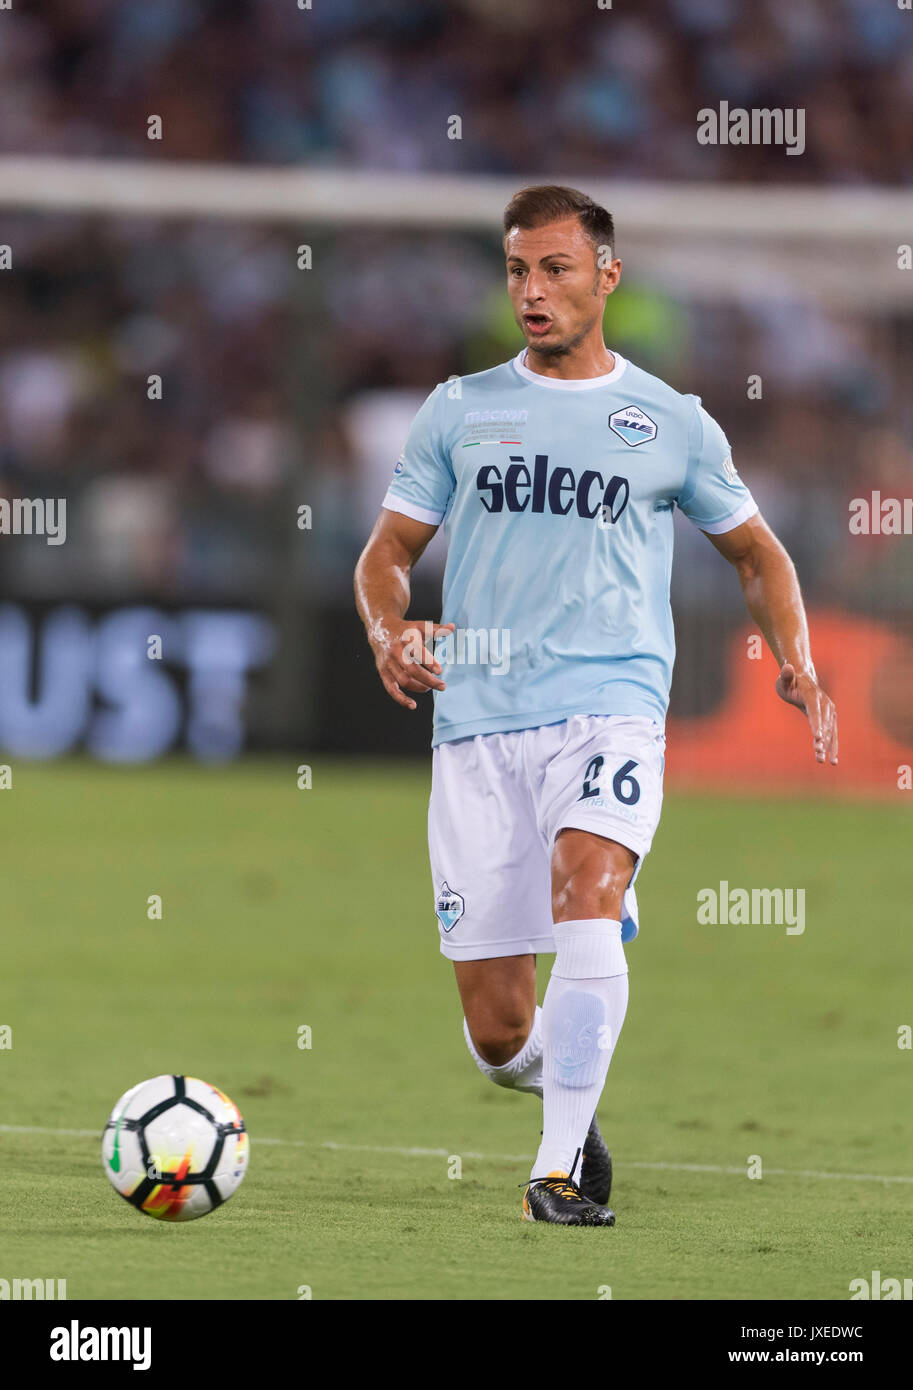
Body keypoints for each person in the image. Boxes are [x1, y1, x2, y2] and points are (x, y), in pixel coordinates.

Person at [354, 185, 838, 1226]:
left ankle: (557, 1169)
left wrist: (792, 655)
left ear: (606, 276)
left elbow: (757, 553)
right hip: (478, 721)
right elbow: (388, 553)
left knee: (589, 886)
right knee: (495, 1035)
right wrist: (388, 626)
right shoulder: (460, 409)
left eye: (556, 269)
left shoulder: (669, 422)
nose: (532, 290)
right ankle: (566, 1084)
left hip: (609, 704)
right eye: (518, 271)